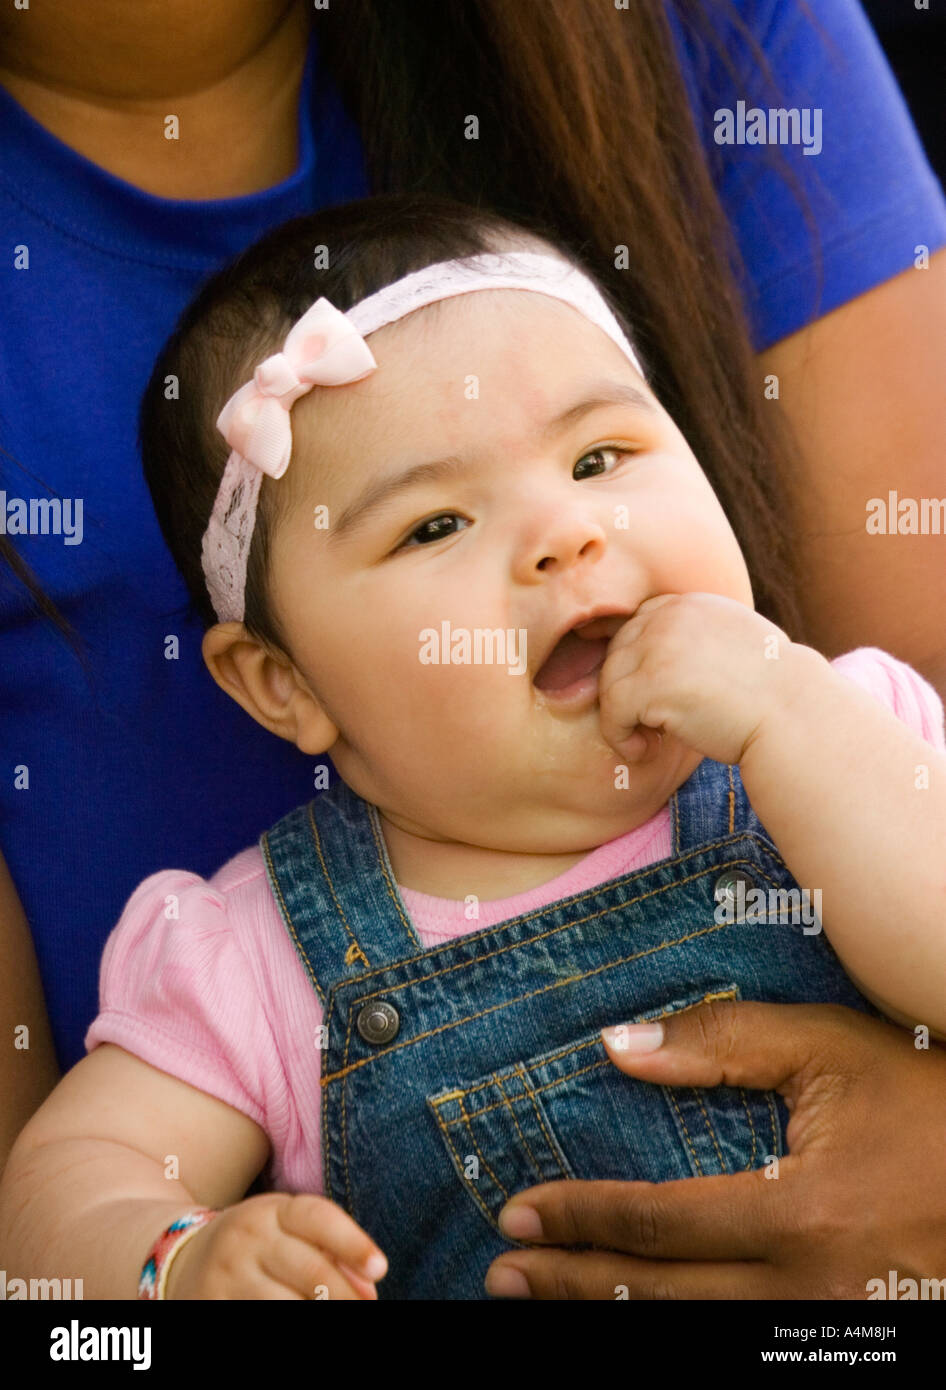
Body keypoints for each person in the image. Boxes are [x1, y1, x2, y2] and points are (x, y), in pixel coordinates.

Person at [1, 0, 944, 1292]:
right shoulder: (258, 952)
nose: (563, 532)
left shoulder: (854, 740)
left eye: (603, 455)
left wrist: (786, 711)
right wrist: (175, 1257)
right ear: (281, 684)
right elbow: (62, 1186)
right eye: (436, 521)